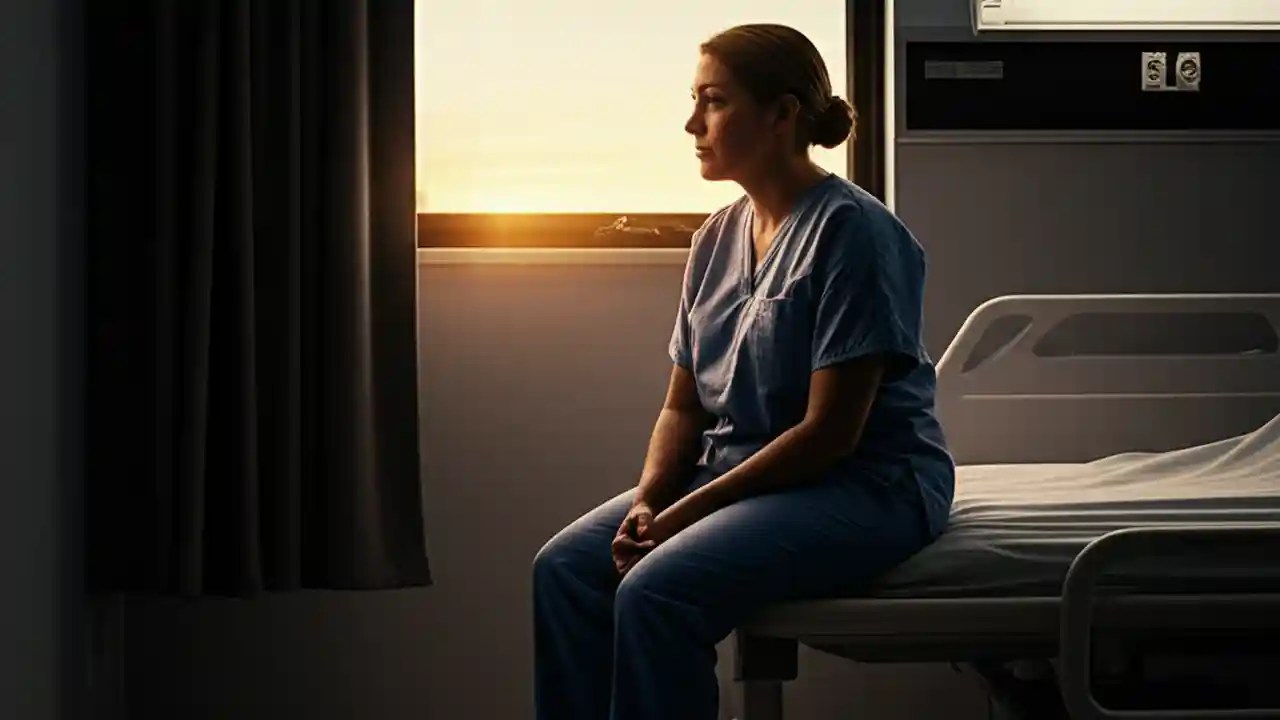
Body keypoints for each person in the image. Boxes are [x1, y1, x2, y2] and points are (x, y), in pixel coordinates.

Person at [532, 23, 955, 720]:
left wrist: (681, 517)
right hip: (738, 468)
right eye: (695, 101)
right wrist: (650, 500)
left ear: (783, 114)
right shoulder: (715, 238)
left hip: (867, 486)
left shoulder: (855, 234)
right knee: (565, 572)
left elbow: (829, 436)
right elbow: (683, 408)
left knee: (654, 590)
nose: (692, 123)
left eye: (714, 102)